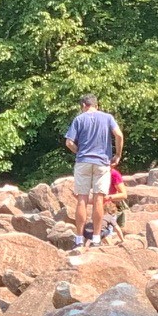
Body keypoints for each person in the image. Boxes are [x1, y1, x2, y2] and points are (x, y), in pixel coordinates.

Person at [64, 95, 124, 248]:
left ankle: (78, 239)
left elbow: (69, 142)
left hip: (83, 161)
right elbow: (119, 135)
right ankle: (96, 238)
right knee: (99, 199)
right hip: (102, 162)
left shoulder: (79, 119)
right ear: (97, 105)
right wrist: (117, 154)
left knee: (82, 199)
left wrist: (79, 152)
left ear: (84, 105)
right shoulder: (108, 117)